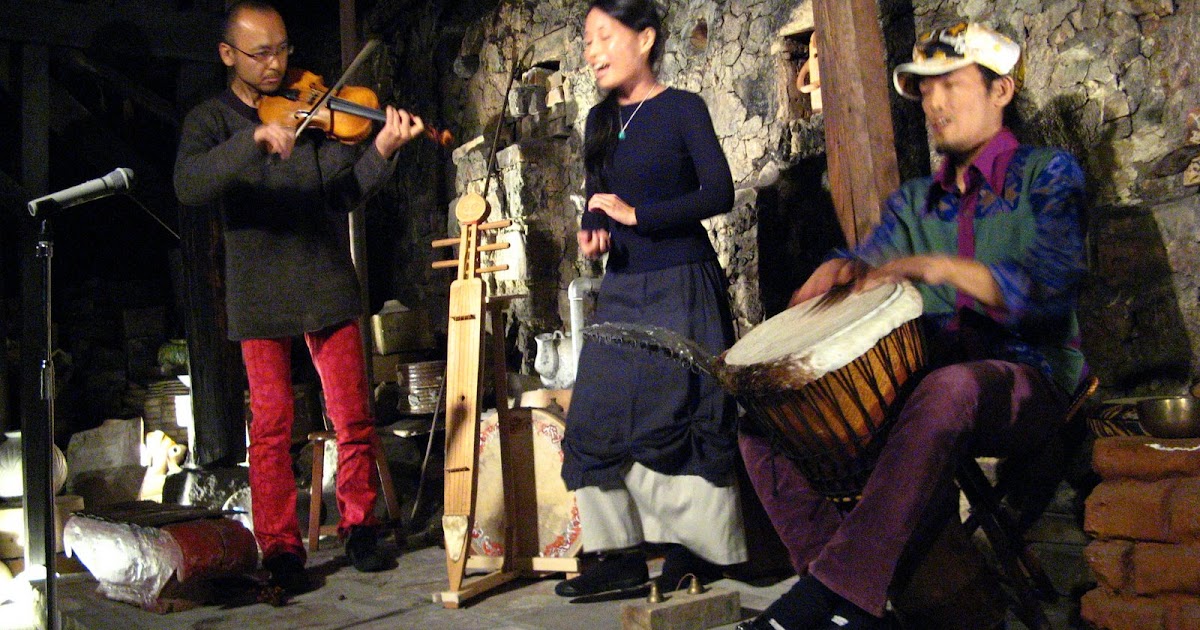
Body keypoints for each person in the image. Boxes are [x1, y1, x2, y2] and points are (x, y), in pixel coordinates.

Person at [737, 23, 1088, 630]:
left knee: (947, 389)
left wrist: (939, 267)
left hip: (1032, 378)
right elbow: (868, 261)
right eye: (924, 91)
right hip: (934, 381)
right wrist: (835, 272)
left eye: (949, 84)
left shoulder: (1048, 176)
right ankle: (841, 592)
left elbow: (1049, 294)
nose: (933, 104)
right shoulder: (915, 202)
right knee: (761, 424)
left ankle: (835, 599)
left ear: (1001, 89)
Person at [173, 1, 425, 593]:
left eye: (282, 49)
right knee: (271, 423)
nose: (276, 63)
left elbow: (340, 194)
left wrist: (382, 151)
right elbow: (190, 184)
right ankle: (280, 546)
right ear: (227, 54)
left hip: (326, 277)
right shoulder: (212, 121)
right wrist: (254, 141)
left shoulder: (313, 110)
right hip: (259, 292)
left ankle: (361, 527)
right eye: (261, 52)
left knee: (353, 414)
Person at [555, 0, 748, 598]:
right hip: (623, 285)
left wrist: (641, 214)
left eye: (604, 37)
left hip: (680, 280)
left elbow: (719, 191)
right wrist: (594, 230)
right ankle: (615, 554)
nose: (592, 53)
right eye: (586, 42)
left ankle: (698, 550)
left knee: (684, 412)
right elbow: (597, 195)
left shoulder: (682, 108)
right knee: (595, 414)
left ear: (645, 38)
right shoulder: (597, 121)